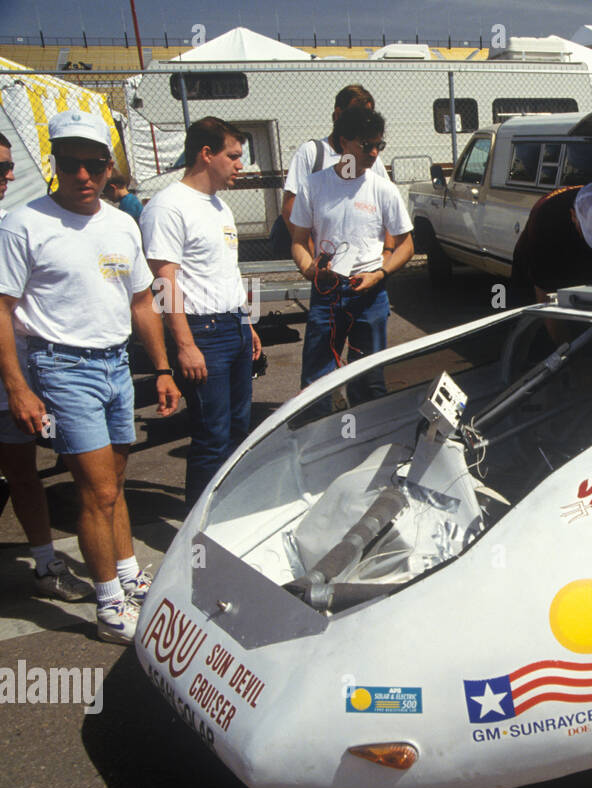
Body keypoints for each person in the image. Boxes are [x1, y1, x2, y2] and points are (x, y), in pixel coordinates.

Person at [0, 110, 180, 643]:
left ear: (108, 168)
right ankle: (108, 606)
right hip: (60, 367)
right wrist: (17, 386)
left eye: (95, 165)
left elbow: (143, 302)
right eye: (72, 164)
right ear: (54, 163)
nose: (84, 176)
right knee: (96, 490)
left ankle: (126, 575)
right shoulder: (24, 223)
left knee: (114, 485)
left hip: (116, 366)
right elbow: (3, 309)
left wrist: (163, 369)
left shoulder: (122, 222)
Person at [141, 116, 263, 508]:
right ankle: (198, 529)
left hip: (234, 326)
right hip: (202, 333)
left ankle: (227, 511)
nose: (240, 165)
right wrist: (185, 345)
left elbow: (228, 271)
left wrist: (248, 322)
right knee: (211, 436)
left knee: (238, 430)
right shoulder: (168, 207)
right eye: (234, 156)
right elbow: (164, 281)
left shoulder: (221, 208)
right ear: (206, 154)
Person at [0, 130, 93, 602]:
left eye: (9, 166)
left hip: (10, 378)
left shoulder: (13, 224)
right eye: (0, 168)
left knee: (23, 473)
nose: (10, 175)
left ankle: (44, 564)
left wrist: (19, 385)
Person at [289, 106, 413, 407]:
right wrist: (310, 270)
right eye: (365, 145)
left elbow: (407, 245)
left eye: (378, 145)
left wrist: (380, 274)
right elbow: (298, 241)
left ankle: (366, 445)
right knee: (316, 383)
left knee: (369, 381)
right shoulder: (314, 186)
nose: (373, 153)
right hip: (327, 292)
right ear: (343, 142)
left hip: (370, 292)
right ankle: (317, 446)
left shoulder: (383, 189)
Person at [276, 84, 391, 259]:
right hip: (325, 266)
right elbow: (290, 209)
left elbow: (389, 209)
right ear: (338, 114)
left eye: (368, 115)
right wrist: (313, 257)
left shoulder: (372, 158)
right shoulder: (312, 152)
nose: (364, 121)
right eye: (356, 114)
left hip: (366, 268)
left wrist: (386, 256)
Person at [510, 181, 592, 305]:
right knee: (527, 314)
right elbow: (544, 294)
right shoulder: (547, 220)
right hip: (538, 264)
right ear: (573, 216)